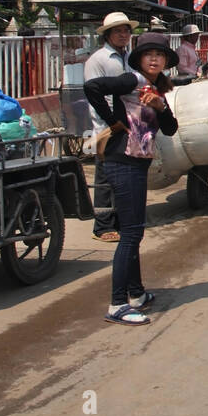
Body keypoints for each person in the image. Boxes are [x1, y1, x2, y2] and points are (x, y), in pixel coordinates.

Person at [84, 32, 178, 326]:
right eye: (148, 54)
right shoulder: (132, 80)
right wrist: (112, 121)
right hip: (122, 162)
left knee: (133, 230)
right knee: (131, 234)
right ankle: (117, 304)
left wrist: (160, 106)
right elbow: (92, 87)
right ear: (138, 59)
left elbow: (171, 128)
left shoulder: (156, 90)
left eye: (160, 55)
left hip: (136, 164)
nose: (154, 59)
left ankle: (136, 294)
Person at [85, 12, 134, 244]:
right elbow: (94, 95)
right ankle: (102, 226)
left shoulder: (128, 57)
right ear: (108, 35)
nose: (123, 35)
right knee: (105, 177)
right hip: (107, 125)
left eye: (126, 31)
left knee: (122, 174)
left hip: (127, 123)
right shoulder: (98, 59)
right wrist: (108, 123)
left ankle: (119, 219)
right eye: (118, 31)